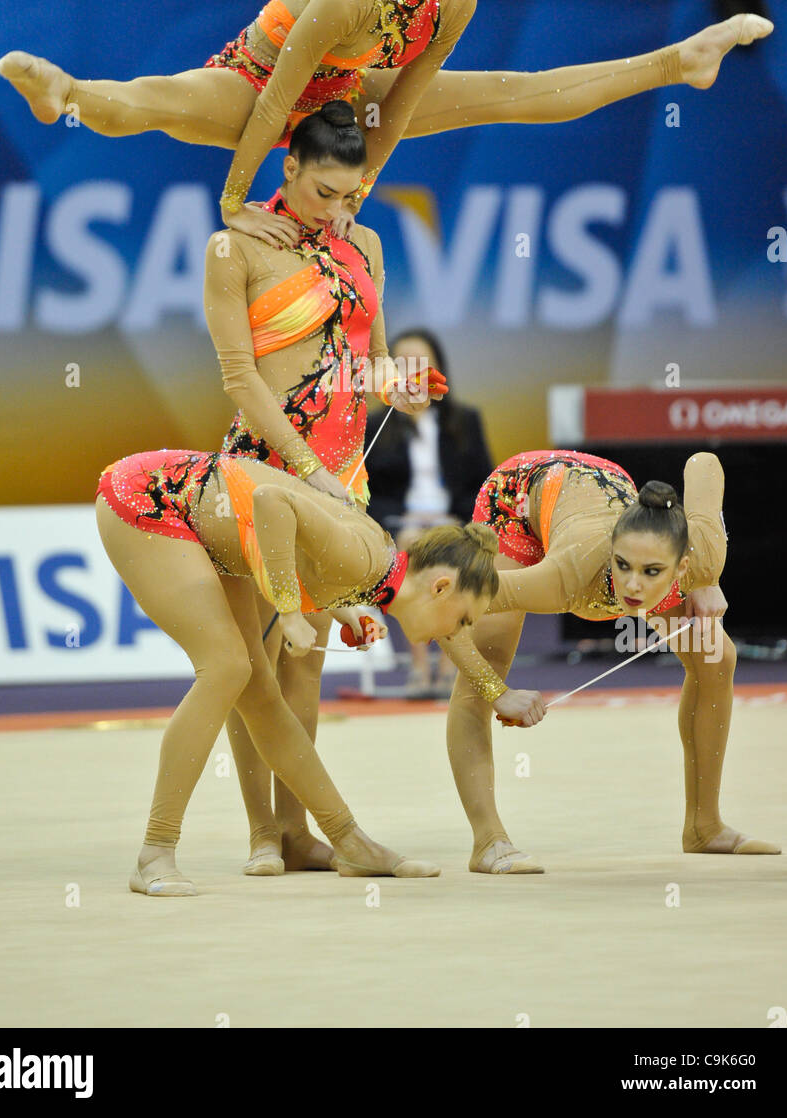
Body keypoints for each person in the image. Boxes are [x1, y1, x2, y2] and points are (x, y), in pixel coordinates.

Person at [0, 0, 773, 228]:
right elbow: (274, 100)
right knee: (155, 102)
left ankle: (681, 60)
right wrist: (235, 203)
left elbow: (395, 110)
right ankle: (66, 92)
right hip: (255, 79)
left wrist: (353, 194)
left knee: (516, 91)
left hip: (345, 94)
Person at [95, 449, 543, 894]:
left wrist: (342, 610)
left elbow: (310, 552)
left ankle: (348, 839)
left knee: (258, 689)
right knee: (226, 668)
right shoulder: (367, 557)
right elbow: (272, 501)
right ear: (440, 587)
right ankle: (155, 851)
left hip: (210, 519)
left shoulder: (378, 564)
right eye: (463, 619)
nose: (457, 634)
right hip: (150, 497)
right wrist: (290, 611)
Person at [204, 101, 442, 873]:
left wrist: (397, 384)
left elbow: (356, 361)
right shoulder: (234, 247)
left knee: (306, 663)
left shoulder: (365, 244)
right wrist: (305, 470)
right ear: (289, 169)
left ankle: (299, 827)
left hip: (343, 476)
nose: (339, 213)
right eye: (325, 194)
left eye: (354, 197)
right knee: (257, 655)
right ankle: (261, 835)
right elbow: (242, 379)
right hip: (265, 470)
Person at [437, 449, 780, 874]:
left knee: (717, 658)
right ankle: (488, 842)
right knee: (483, 670)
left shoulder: (703, 556)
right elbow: (442, 603)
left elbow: (703, 462)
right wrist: (498, 693)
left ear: (682, 566)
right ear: (614, 552)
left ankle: (704, 827)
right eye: (623, 566)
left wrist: (708, 579)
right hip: (519, 497)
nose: (633, 586)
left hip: (600, 487)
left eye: (652, 572)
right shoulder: (565, 577)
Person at [364, 326, 493, 696]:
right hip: (402, 524)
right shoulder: (377, 425)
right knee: (411, 549)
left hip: (452, 521)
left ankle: (450, 666)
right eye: (402, 363)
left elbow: (483, 484)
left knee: (454, 552)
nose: (411, 370)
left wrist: (457, 520)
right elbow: (371, 492)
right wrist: (400, 520)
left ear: (437, 367)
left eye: (419, 362)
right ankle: (420, 667)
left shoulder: (465, 421)